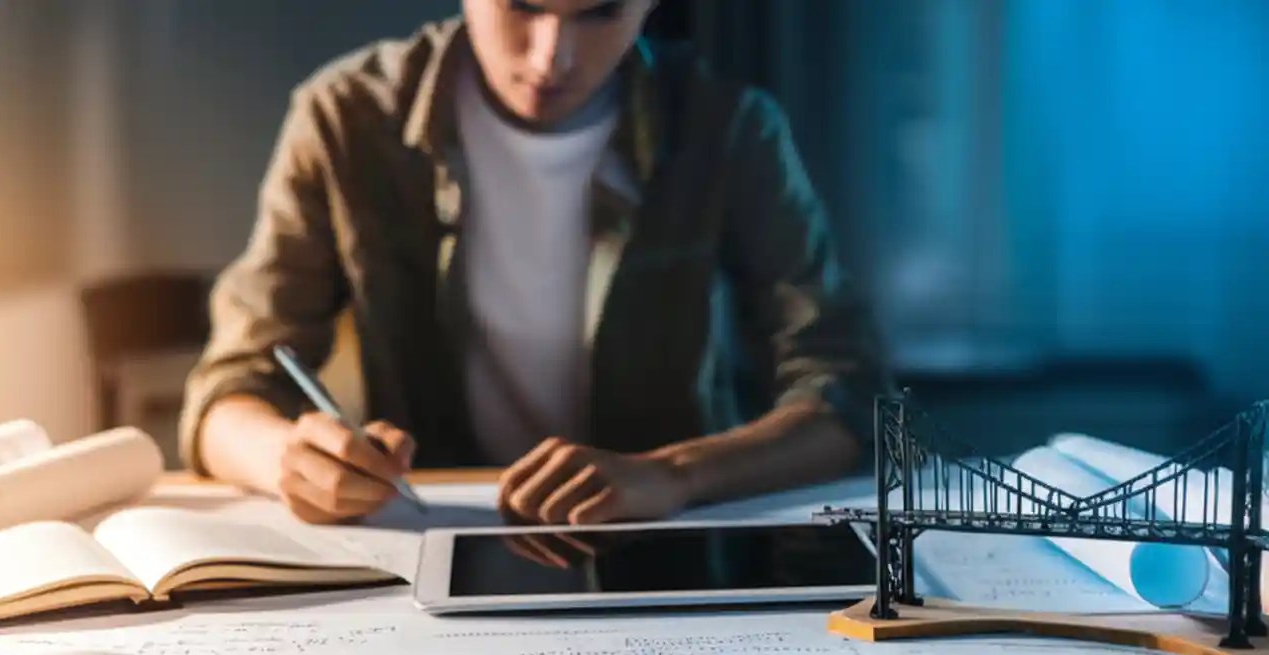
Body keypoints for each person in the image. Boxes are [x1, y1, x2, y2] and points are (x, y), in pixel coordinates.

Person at [181, 0, 890, 526]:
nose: (551, 56)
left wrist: (673, 475)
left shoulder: (728, 127)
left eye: (600, 13)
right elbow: (228, 393)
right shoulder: (345, 119)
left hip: (657, 545)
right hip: (427, 536)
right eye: (522, 6)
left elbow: (847, 395)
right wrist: (291, 461)